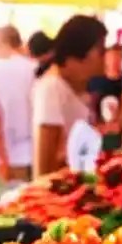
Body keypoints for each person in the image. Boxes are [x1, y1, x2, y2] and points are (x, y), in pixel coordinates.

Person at [33, 15, 106, 176]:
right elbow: (44, 165)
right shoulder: (51, 88)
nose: (104, 57)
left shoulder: (76, 86)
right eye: (100, 50)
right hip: (61, 190)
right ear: (82, 52)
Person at [0, 25, 36, 182]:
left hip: (3, 154)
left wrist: (1, 158)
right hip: (32, 151)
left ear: (2, 44)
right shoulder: (33, 69)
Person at [87, 43, 122, 151]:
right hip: (97, 134)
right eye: (111, 58)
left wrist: (119, 124)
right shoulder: (95, 81)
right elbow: (90, 107)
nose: (114, 62)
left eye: (118, 58)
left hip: (120, 135)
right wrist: (97, 126)